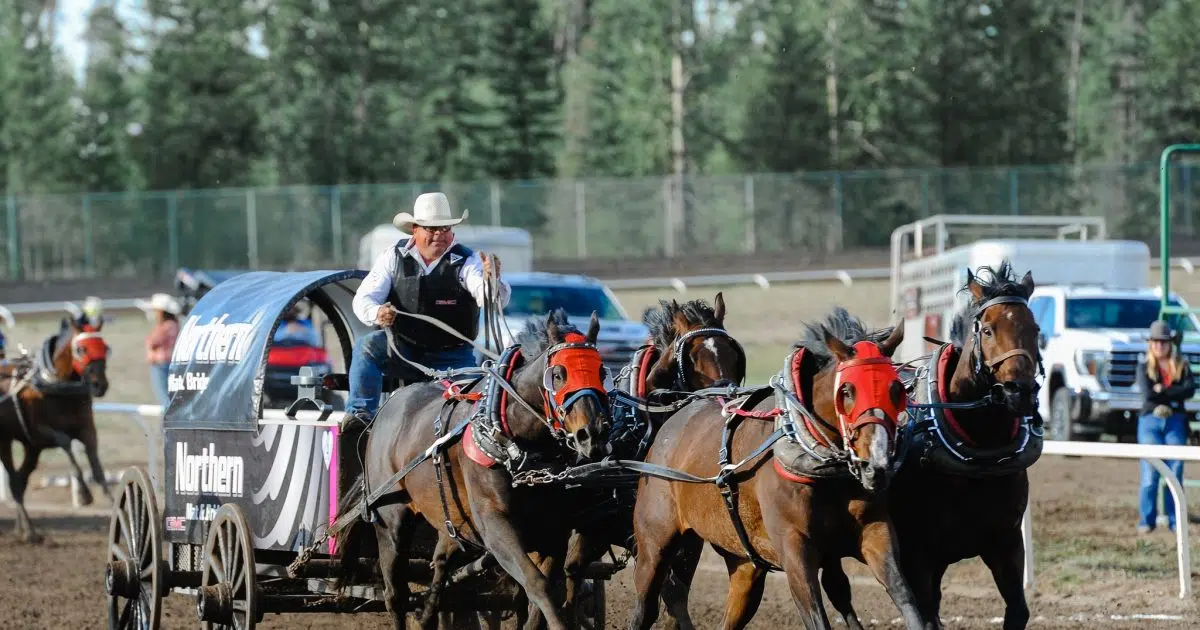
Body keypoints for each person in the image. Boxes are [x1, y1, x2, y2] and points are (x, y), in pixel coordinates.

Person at [345, 192, 511, 428]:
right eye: (431, 229)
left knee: (471, 410)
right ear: (415, 230)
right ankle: (360, 417)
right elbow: (364, 299)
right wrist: (377, 312)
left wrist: (491, 280)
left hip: (452, 355)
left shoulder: (469, 262)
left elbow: (490, 299)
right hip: (401, 348)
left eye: (444, 229)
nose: (439, 235)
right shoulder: (392, 257)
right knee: (367, 347)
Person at [1135, 320, 1196, 534]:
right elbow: (1148, 394)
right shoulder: (1144, 366)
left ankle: (1175, 521)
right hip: (1150, 421)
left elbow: (1189, 390)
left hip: (1175, 421)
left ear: (1170, 343)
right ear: (1150, 344)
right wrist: (1172, 392)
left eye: (1164, 341)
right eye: (1156, 341)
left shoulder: (1181, 364)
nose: (1159, 345)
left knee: (1175, 471)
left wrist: (1163, 391)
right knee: (1150, 473)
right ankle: (1146, 521)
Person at [136, 293, 183, 408]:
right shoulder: (174, 324)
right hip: (168, 362)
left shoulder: (165, 326)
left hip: (160, 364)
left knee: (164, 397)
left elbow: (153, 342)